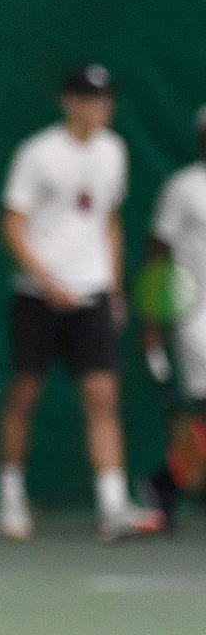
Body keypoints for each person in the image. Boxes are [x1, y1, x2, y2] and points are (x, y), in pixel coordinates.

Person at [0, 64, 164, 542]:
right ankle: (10, 496)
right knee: (23, 395)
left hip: (90, 294)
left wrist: (111, 287)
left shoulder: (114, 151)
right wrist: (46, 280)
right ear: (68, 102)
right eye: (90, 98)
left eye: (106, 99)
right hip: (36, 296)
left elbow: (109, 220)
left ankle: (112, 506)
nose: (100, 107)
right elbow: (11, 225)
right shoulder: (37, 154)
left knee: (103, 397)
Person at [135, 104, 206, 525]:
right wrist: (151, 325)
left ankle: (166, 483)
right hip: (196, 317)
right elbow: (157, 256)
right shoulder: (183, 188)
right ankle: (169, 482)